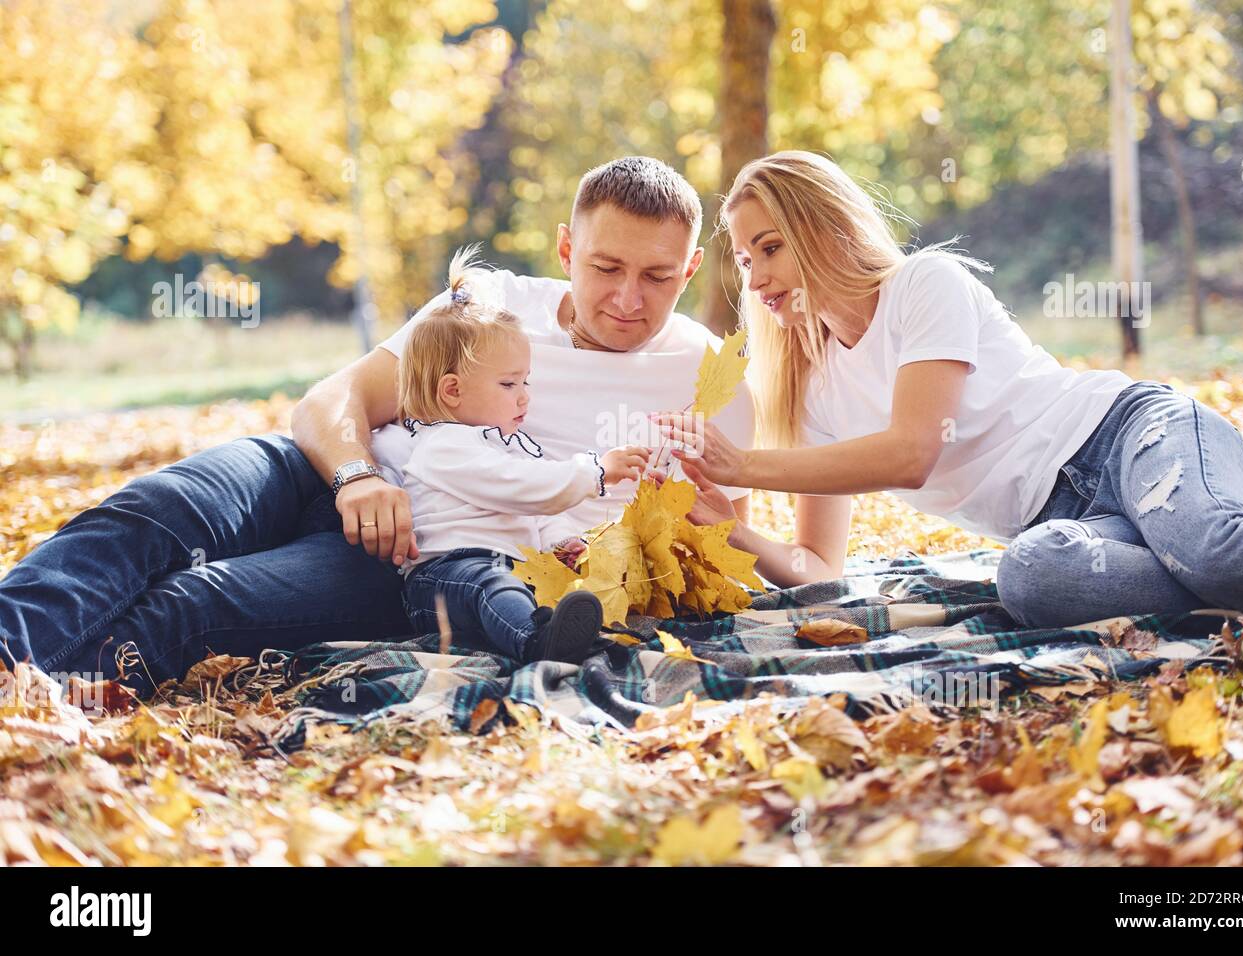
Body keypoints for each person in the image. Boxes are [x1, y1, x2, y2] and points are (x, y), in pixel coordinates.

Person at [0, 155, 755, 691]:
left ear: (690, 271)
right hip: (325, 471)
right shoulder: (492, 303)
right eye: (605, 268)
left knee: (194, 602)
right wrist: (356, 474)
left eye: (658, 277)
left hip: (422, 556)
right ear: (566, 248)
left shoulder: (705, 375)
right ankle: (7, 654)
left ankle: (38, 700)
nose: (628, 298)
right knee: (153, 514)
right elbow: (331, 401)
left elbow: (719, 537)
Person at [654, 150, 1243, 627]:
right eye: (743, 260)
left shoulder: (922, 285)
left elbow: (913, 453)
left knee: (1216, 552)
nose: (756, 278)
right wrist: (732, 533)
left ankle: (1208, 555)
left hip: (1133, 437)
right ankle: (1201, 565)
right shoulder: (813, 389)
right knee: (1032, 580)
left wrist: (743, 467)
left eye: (770, 248)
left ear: (826, 229)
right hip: (1064, 526)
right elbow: (821, 570)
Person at [395, 249, 650, 663]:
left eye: (525, 381)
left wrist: (560, 540)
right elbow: (523, 489)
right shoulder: (443, 448)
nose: (524, 395)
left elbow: (534, 513)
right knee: (490, 583)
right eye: (509, 383)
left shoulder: (501, 444)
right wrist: (595, 471)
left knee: (518, 584)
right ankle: (537, 641)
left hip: (506, 568)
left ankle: (569, 634)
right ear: (453, 391)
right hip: (442, 581)